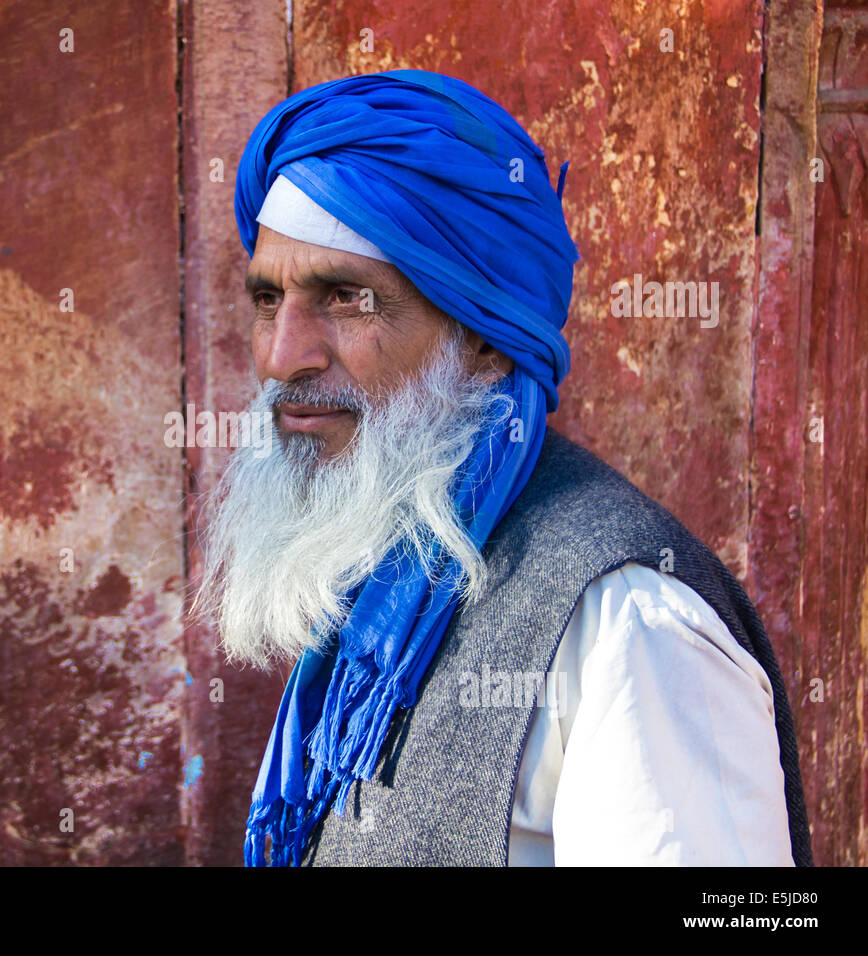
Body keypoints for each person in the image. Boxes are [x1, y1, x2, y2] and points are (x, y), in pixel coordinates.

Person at [193, 70, 812, 867]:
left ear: (484, 339)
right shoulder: (379, 572)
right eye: (268, 299)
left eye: (346, 299)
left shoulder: (630, 625)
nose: (282, 356)